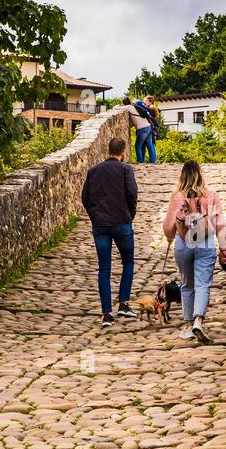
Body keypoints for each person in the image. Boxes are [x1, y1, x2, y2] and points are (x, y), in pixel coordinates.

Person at [163, 160, 226, 344]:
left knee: (186, 284)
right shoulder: (212, 196)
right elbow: (220, 225)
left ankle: (187, 325)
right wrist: (224, 251)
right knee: (203, 284)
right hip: (205, 243)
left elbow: (168, 228)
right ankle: (199, 320)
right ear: (201, 175)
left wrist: (172, 234)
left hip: (183, 244)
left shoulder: (177, 197)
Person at [81, 137, 137, 328]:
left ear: (108, 149)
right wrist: (131, 214)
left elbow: (85, 199)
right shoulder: (126, 170)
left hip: (101, 225)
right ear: (123, 152)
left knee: (104, 268)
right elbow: (132, 194)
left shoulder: (93, 171)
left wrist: (94, 216)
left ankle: (107, 313)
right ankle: (123, 302)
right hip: (122, 223)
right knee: (128, 261)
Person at [126, 96, 157, 164]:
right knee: (149, 145)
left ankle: (141, 161)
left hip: (145, 128)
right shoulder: (146, 108)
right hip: (149, 126)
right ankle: (152, 161)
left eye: (146, 101)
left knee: (140, 145)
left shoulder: (150, 108)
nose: (144, 102)